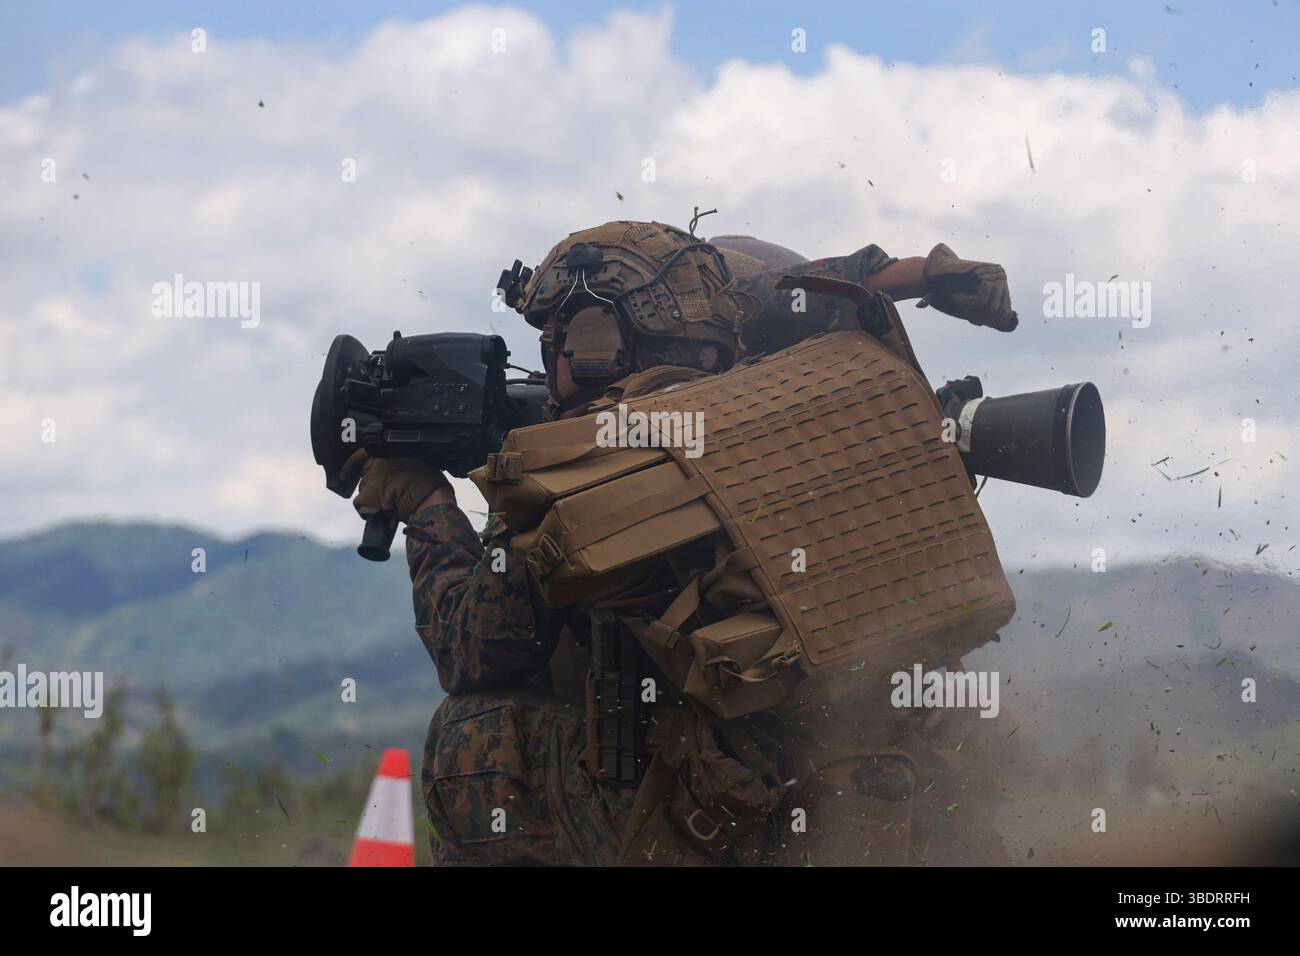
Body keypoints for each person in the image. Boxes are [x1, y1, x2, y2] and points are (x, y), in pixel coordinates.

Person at [351, 221, 1016, 865]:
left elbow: (474, 649)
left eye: (559, 339)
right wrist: (918, 273)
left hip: (732, 830)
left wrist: (427, 504)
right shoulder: (833, 426)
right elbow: (769, 286)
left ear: (595, 341)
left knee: (476, 730)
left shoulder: (589, 462)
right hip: (897, 812)